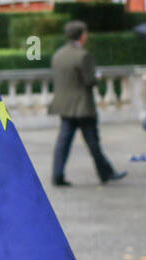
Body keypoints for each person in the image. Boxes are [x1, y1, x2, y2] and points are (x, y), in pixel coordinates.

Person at [49, 20, 126, 187]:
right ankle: (105, 173)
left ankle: (57, 174)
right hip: (83, 106)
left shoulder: (58, 54)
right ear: (81, 36)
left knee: (63, 142)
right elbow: (89, 81)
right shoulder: (83, 55)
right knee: (93, 142)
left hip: (65, 105)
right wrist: (97, 77)